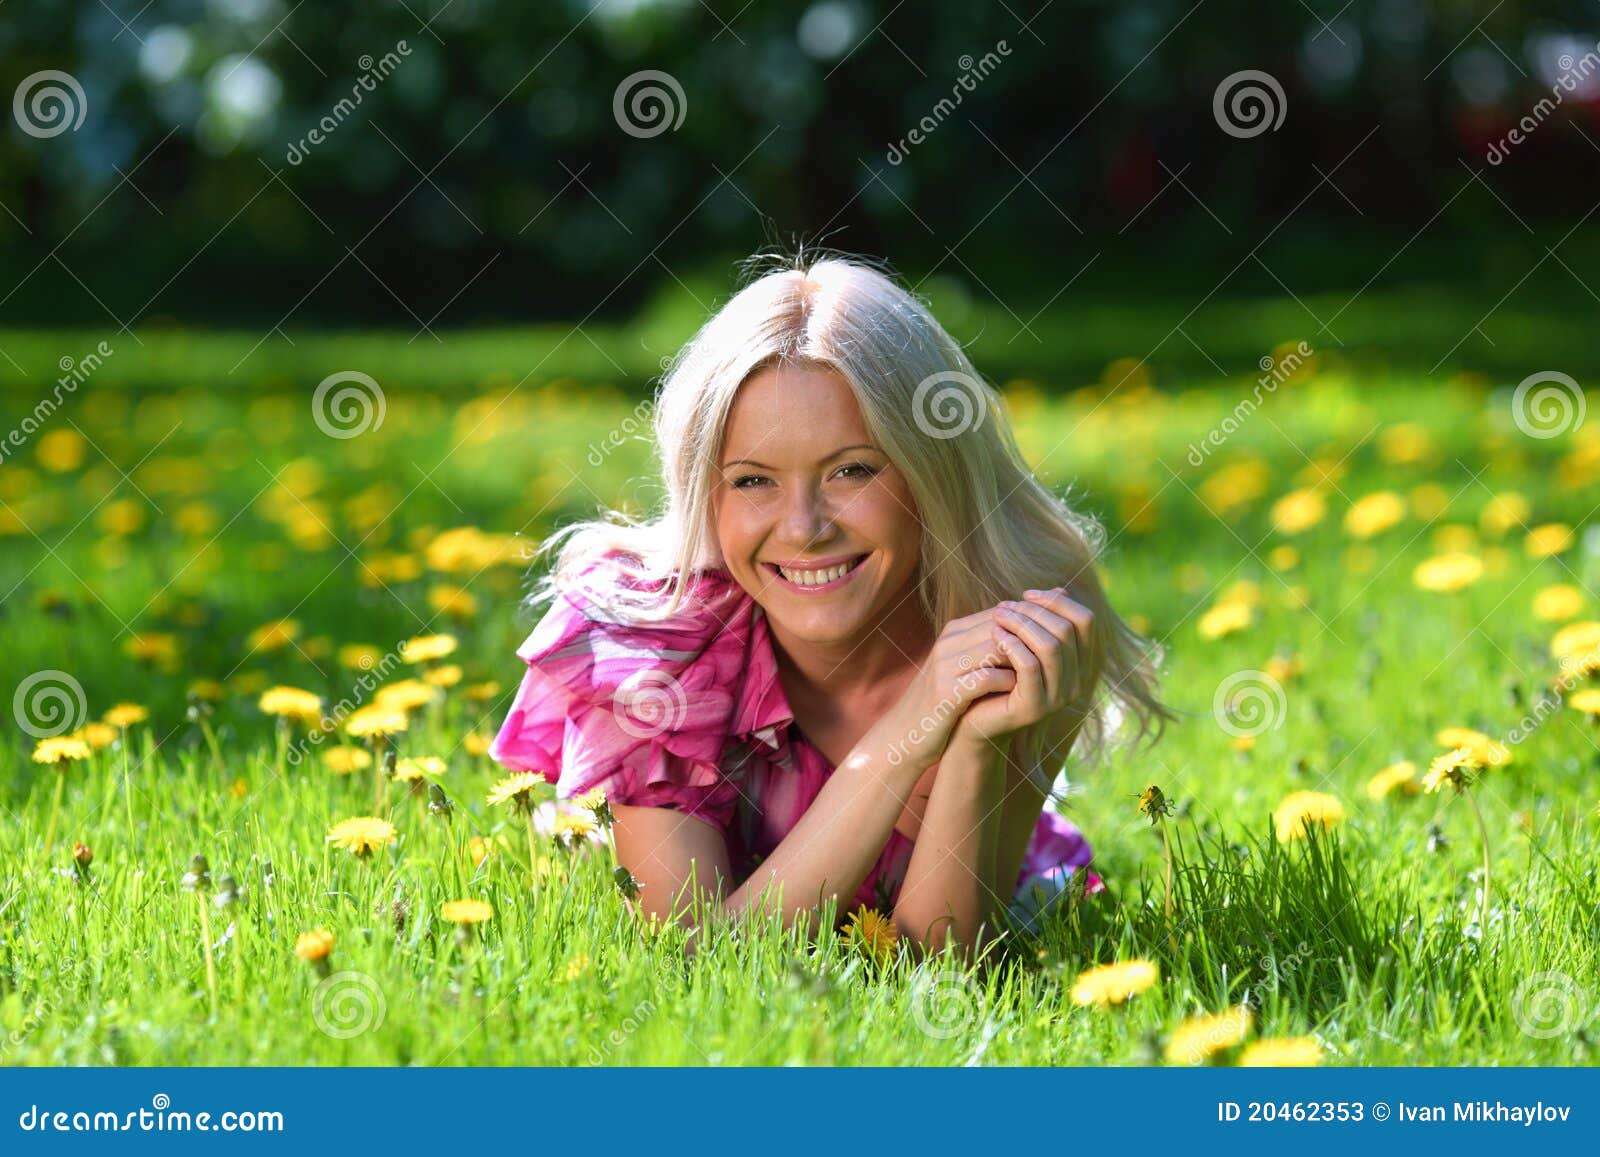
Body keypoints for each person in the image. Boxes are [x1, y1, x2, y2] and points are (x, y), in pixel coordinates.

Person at [490, 250, 1171, 959]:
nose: (805, 528)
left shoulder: (1019, 613)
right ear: (706, 493)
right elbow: (695, 959)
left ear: (929, 469)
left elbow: (942, 967)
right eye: (754, 480)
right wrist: (914, 723)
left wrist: (973, 739)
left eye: (853, 469)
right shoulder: (657, 647)